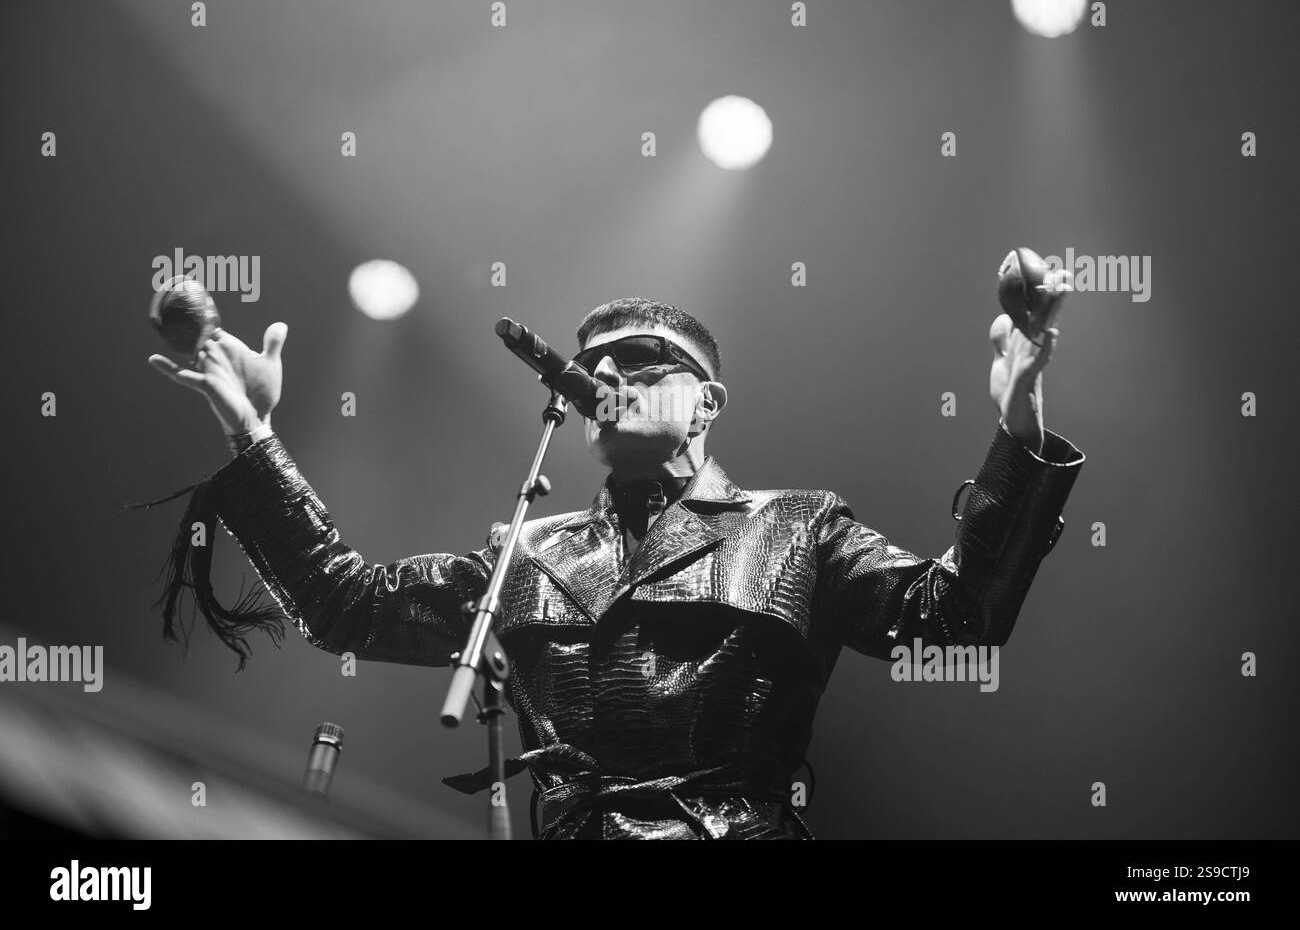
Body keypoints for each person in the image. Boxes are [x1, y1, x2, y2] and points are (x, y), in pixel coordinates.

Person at [145, 294, 1084, 839]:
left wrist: (1018, 432)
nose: (611, 378)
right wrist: (252, 429)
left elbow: (956, 618)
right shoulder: (532, 548)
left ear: (707, 401)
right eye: (595, 366)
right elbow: (348, 607)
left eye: (643, 362)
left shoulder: (797, 528)